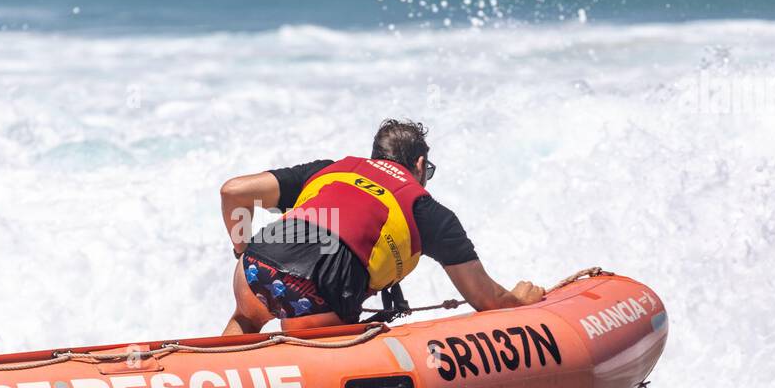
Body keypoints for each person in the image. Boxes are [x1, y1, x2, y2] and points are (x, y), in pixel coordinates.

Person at [220, 119, 545, 334]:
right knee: (309, 346)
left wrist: (241, 249)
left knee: (246, 319)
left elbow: (233, 191)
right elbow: (486, 300)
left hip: (256, 264)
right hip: (321, 288)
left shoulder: (330, 171)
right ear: (419, 165)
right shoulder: (427, 211)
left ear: (376, 157)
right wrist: (518, 299)